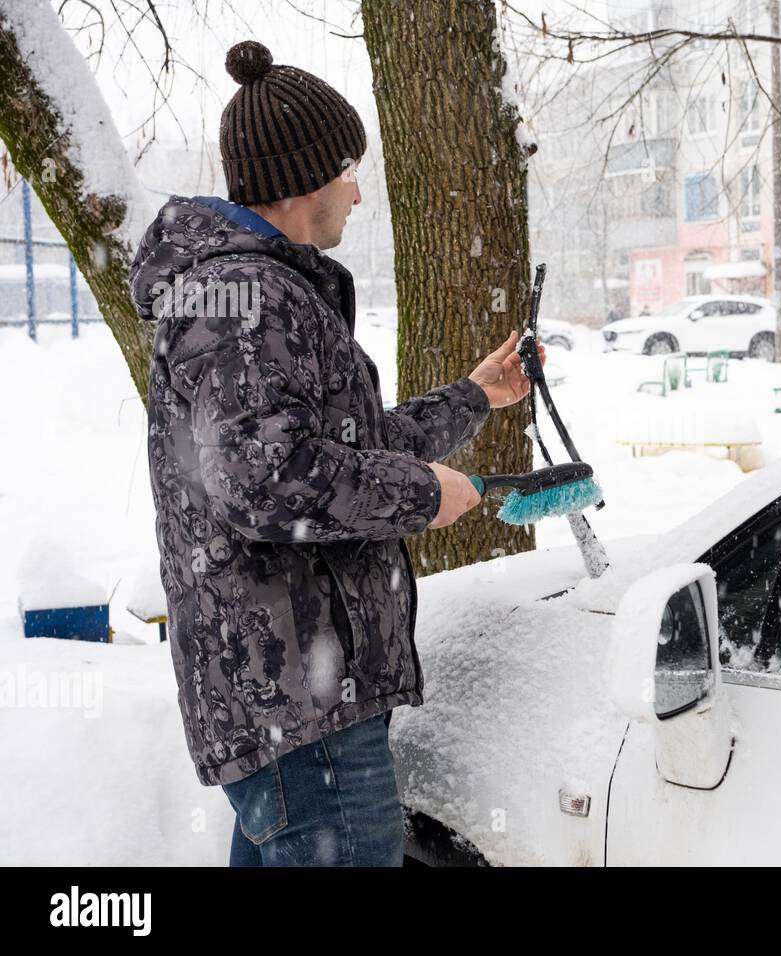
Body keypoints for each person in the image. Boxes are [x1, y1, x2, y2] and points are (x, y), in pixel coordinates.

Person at [127, 40, 544, 866]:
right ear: (305, 179)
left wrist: (473, 397)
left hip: (302, 700)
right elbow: (266, 480)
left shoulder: (261, 291)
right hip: (299, 705)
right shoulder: (241, 300)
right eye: (349, 169)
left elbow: (339, 450)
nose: (358, 190)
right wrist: (423, 495)